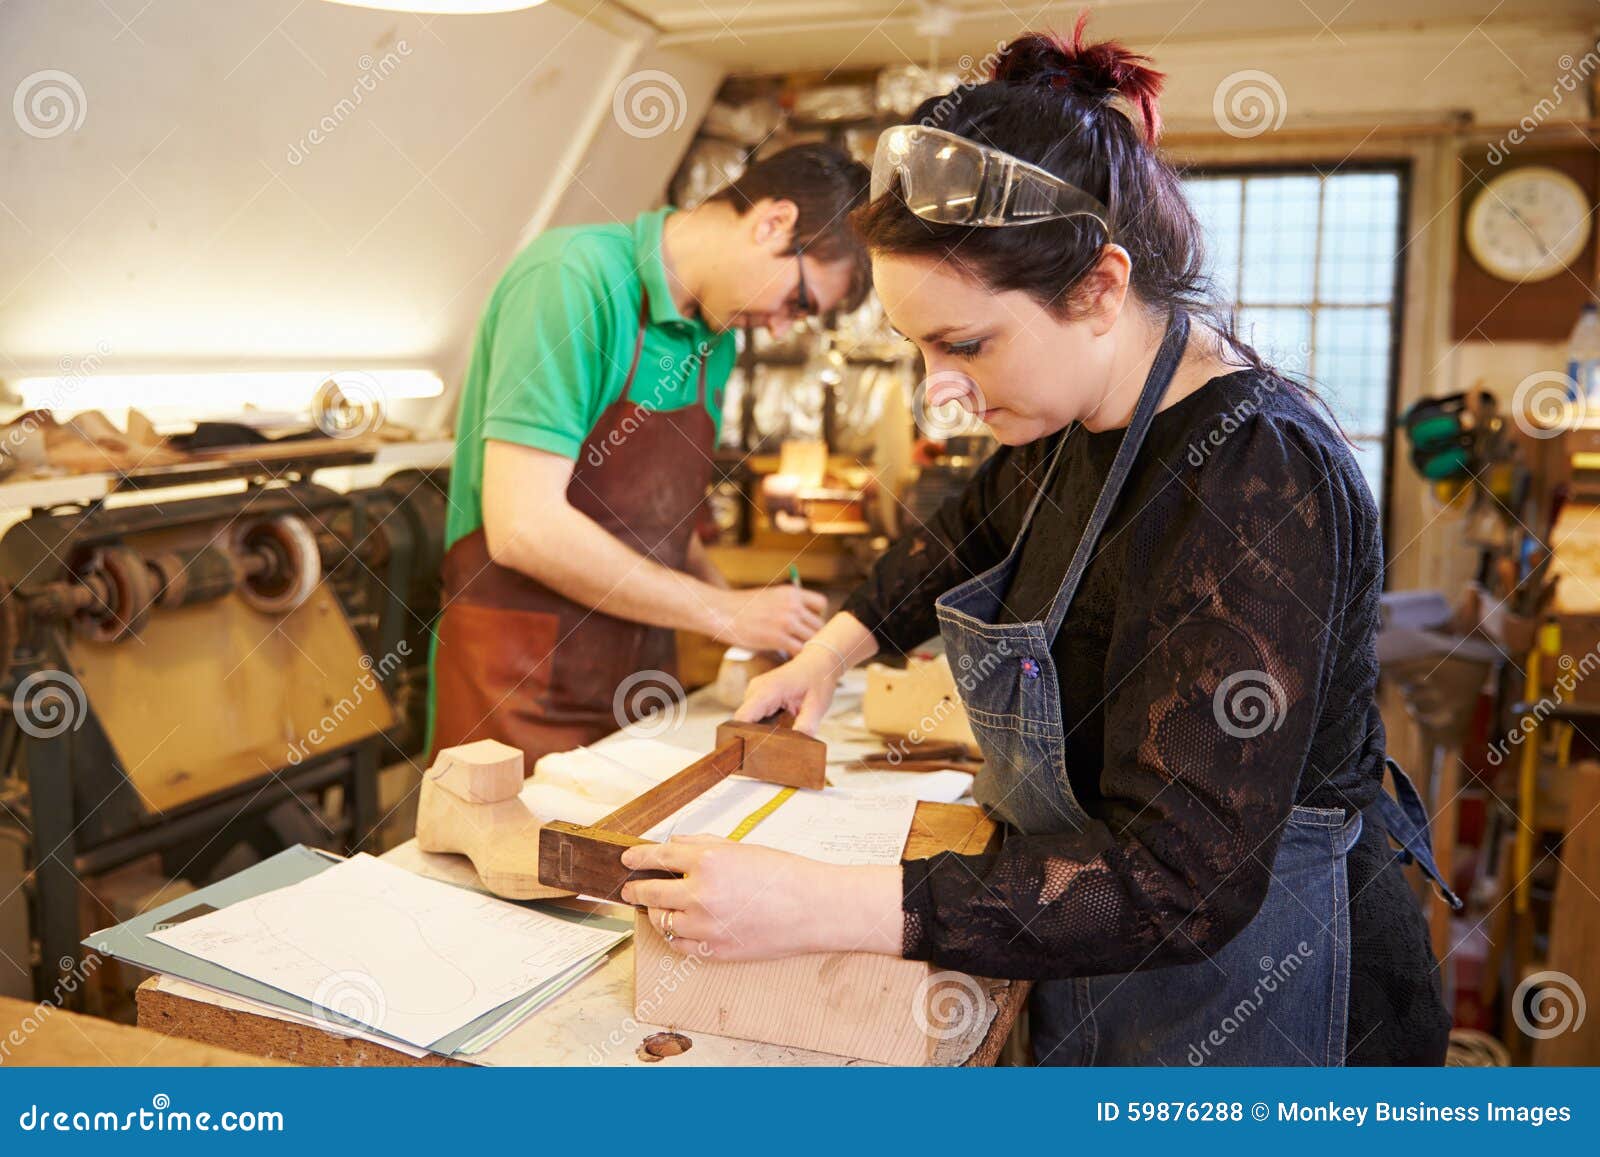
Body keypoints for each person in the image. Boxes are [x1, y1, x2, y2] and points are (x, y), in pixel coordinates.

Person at [616, 21, 1456, 1066]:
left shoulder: (1257, 475)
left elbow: (1180, 875)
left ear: (1099, 288)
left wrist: (823, 902)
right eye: (918, 346)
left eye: (965, 344)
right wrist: (826, 654)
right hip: (1092, 944)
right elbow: (960, 532)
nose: (944, 389)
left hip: (1263, 984)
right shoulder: (1070, 422)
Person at [429, 145, 871, 763]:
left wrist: (762, 633)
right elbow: (523, 528)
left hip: (638, 688)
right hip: (518, 688)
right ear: (773, 223)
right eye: (799, 302)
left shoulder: (715, 338)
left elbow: (661, 528)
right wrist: (724, 613)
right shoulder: (572, 279)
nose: (779, 329)